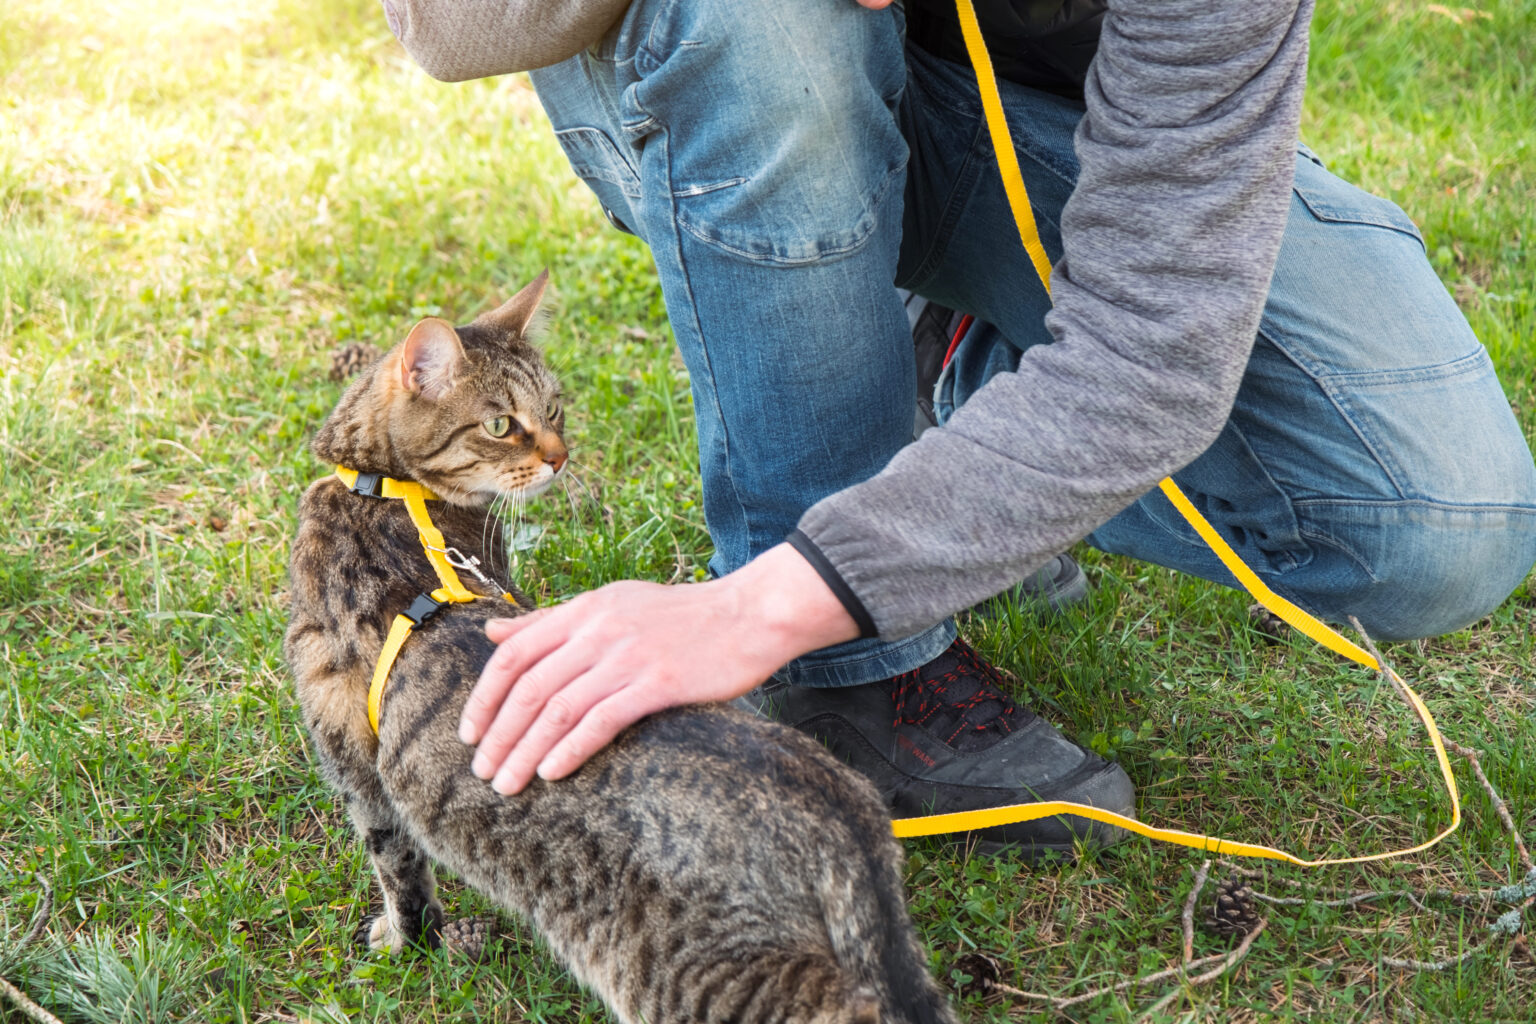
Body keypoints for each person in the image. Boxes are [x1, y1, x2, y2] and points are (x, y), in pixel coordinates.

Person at [382, 0, 1536, 855]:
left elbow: (1156, 346)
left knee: (1439, 521)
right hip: (724, 71)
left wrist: (748, 608)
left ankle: (953, 382)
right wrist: (802, 608)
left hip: (1054, 137)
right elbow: (443, 25)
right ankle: (857, 670)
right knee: (770, 28)